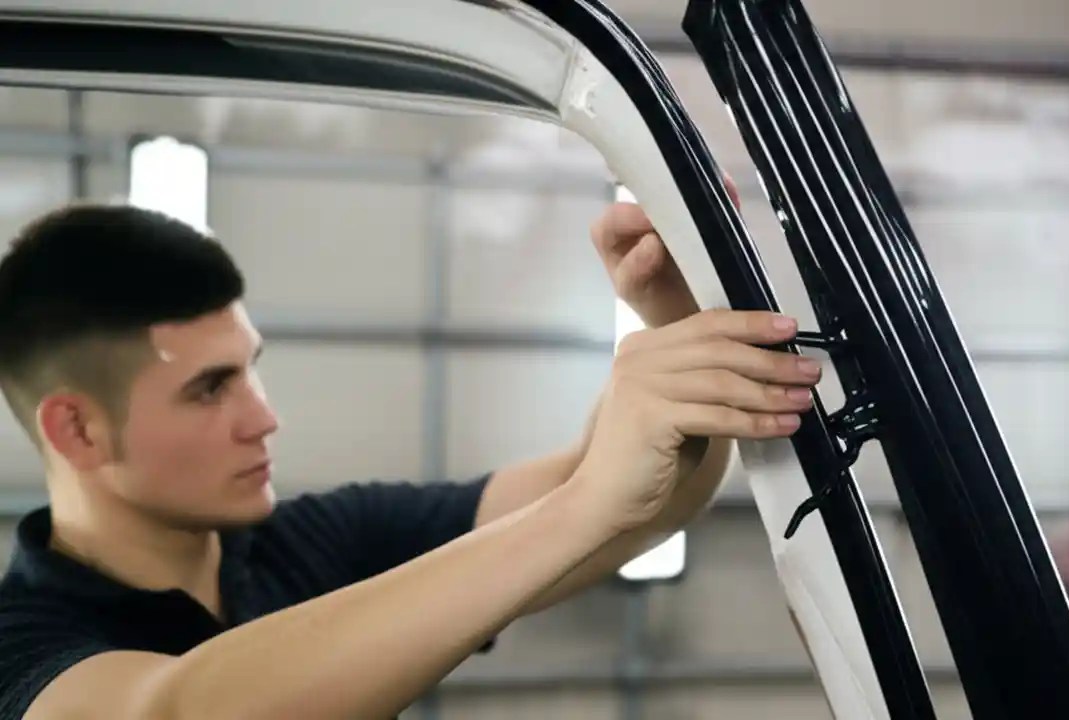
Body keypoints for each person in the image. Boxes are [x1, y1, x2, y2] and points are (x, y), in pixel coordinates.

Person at [0, 177, 821, 719]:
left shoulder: (319, 541)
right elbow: (172, 711)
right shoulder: (22, 645)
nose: (263, 418)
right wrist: (584, 504)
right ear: (77, 429)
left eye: (250, 371)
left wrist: (673, 326)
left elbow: (633, 505)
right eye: (209, 389)